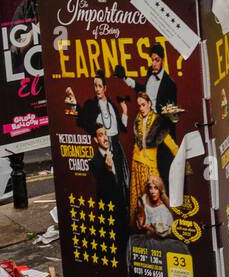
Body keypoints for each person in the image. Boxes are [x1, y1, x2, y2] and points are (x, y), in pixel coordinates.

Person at [126, 90, 178, 226]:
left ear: (149, 103)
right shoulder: (137, 119)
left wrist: (180, 156)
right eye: (139, 106)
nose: (141, 108)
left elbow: (169, 141)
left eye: (143, 105)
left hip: (150, 165)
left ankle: (167, 226)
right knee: (138, 201)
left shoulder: (157, 121)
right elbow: (137, 143)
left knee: (157, 196)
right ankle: (140, 228)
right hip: (136, 164)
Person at [76, 76, 130, 195]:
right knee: (109, 181)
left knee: (122, 180)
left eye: (100, 86)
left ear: (105, 88)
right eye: (95, 86)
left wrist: (124, 111)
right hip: (104, 147)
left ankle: (123, 208)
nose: (97, 89)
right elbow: (82, 120)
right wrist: (74, 104)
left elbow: (121, 128)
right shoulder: (91, 105)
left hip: (117, 147)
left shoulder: (111, 105)